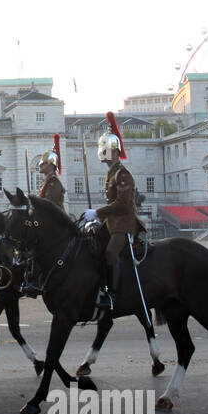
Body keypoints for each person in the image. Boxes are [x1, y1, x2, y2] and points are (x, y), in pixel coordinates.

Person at [80, 111, 143, 313]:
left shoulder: (122, 174)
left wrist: (98, 213)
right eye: (103, 149)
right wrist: (98, 220)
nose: (104, 152)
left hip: (124, 224)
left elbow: (123, 204)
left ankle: (112, 293)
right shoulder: (111, 174)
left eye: (106, 149)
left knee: (109, 252)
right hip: (111, 222)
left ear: (115, 152)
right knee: (92, 246)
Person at [36, 134, 65, 210]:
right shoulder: (47, 181)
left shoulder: (53, 181)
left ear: (51, 165)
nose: (40, 165)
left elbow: (49, 203)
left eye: (43, 163)